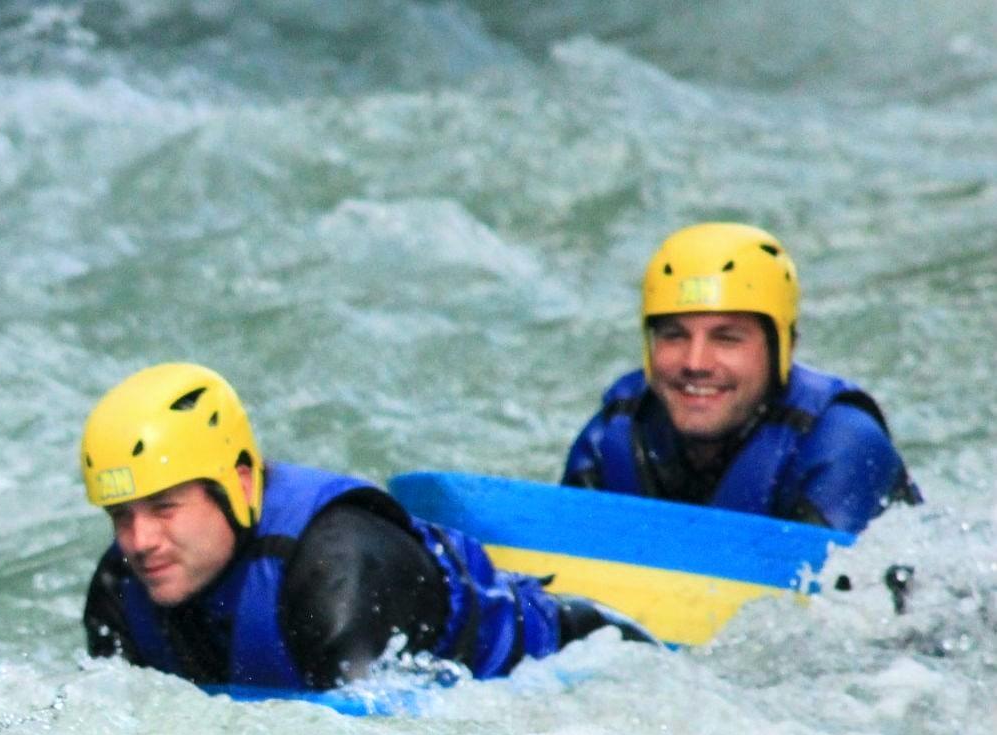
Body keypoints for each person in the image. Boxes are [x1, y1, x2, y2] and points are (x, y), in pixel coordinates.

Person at [80, 363, 645, 690]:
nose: (139, 541)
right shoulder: (121, 590)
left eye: (165, 508)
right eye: (121, 515)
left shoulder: (336, 570)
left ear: (240, 485)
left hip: (583, 667)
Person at [562, 222, 920, 533]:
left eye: (727, 338)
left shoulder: (842, 446)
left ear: (784, 348)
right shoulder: (612, 437)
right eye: (674, 335)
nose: (695, 362)